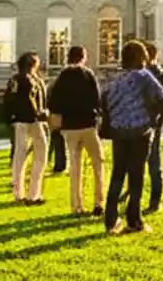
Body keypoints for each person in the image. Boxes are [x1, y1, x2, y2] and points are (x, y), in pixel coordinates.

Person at [102, 41, 163, 234]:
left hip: (118, 132)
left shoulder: (116, 82)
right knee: (136, 177)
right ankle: (134, 220)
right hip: (139, 131)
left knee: (117, 175)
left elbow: (104, 101)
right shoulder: (144, 76)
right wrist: (152, 116)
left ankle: (111, 219)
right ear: (142, 57)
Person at [48, 45, 105, 216]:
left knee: (75, 165)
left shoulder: (62, 77)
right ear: (83, 57)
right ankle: (98, 201)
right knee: (97, 162)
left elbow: (53, 102)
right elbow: (97, 99)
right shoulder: (87, 75)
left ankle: (76, 205)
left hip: (69, 126)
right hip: (87, 124)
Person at [9, 52, 50, 205]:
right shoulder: (30, 80)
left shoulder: (15, 79)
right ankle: (34, 192)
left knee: (19, 155)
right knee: (40, 154)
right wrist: (40, 114)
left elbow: (9, 101)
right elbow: (30, 99)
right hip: (33, 120)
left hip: (20, 120)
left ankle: (18, 192)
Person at [142, 41, 163, 214]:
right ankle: (148, 199)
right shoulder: (158, 73)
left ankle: (154, 201)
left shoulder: (152, 74)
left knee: (153, 161)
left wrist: (160, 118)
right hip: (153, 122)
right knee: (150, 160)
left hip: (150, 123)